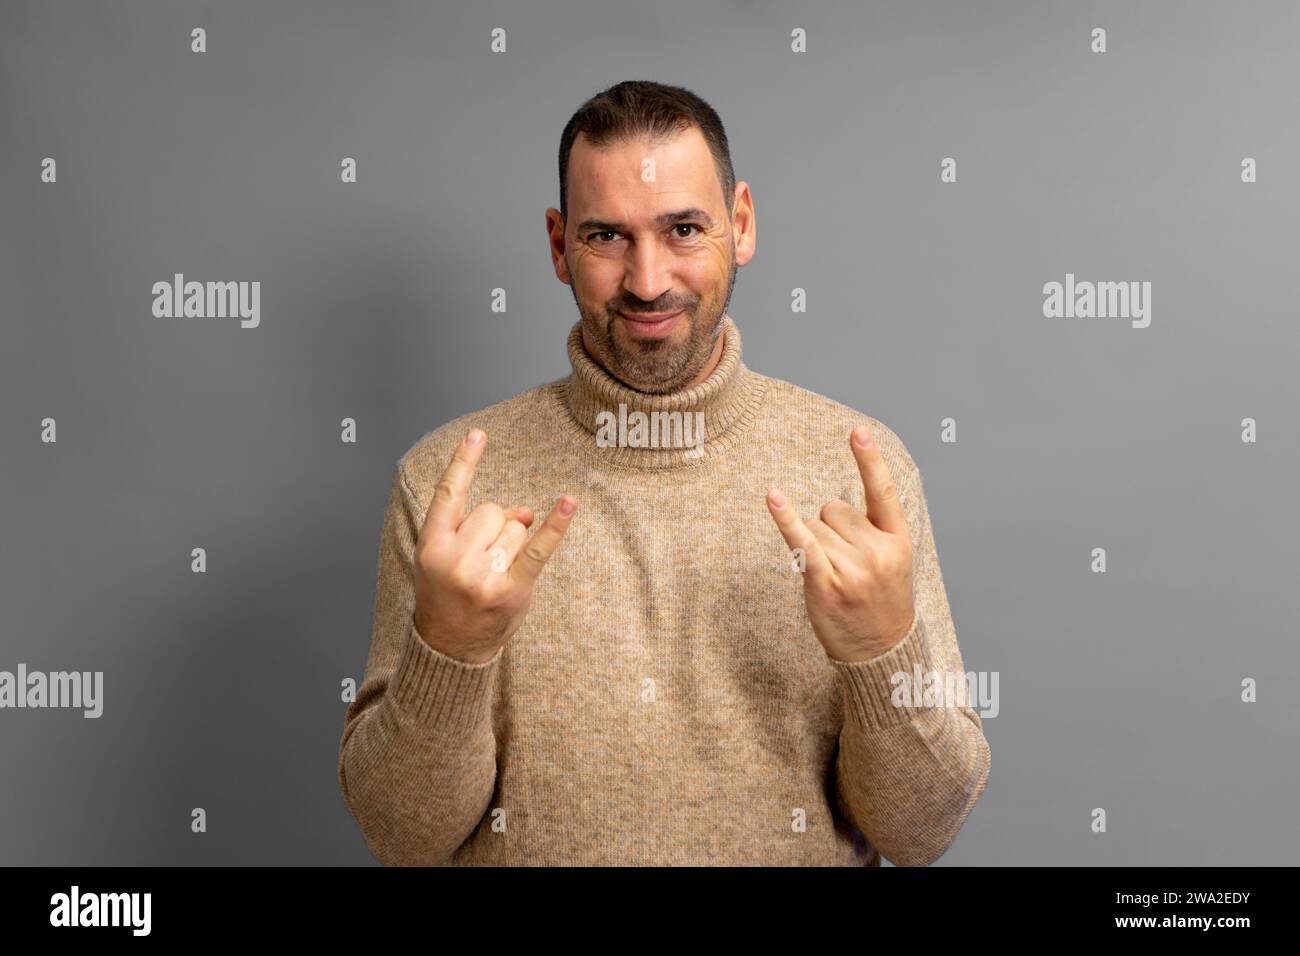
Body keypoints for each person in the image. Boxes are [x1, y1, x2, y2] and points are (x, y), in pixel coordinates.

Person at [337, 79, 990, 866]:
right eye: (607, 237)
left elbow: (920, 833)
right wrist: (450, 651)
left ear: (740, 224)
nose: (647, 281)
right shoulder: (444, 483)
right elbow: (403, 837)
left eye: (684, 228)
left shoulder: (860, 473)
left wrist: (884, 651)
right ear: (557, 245)